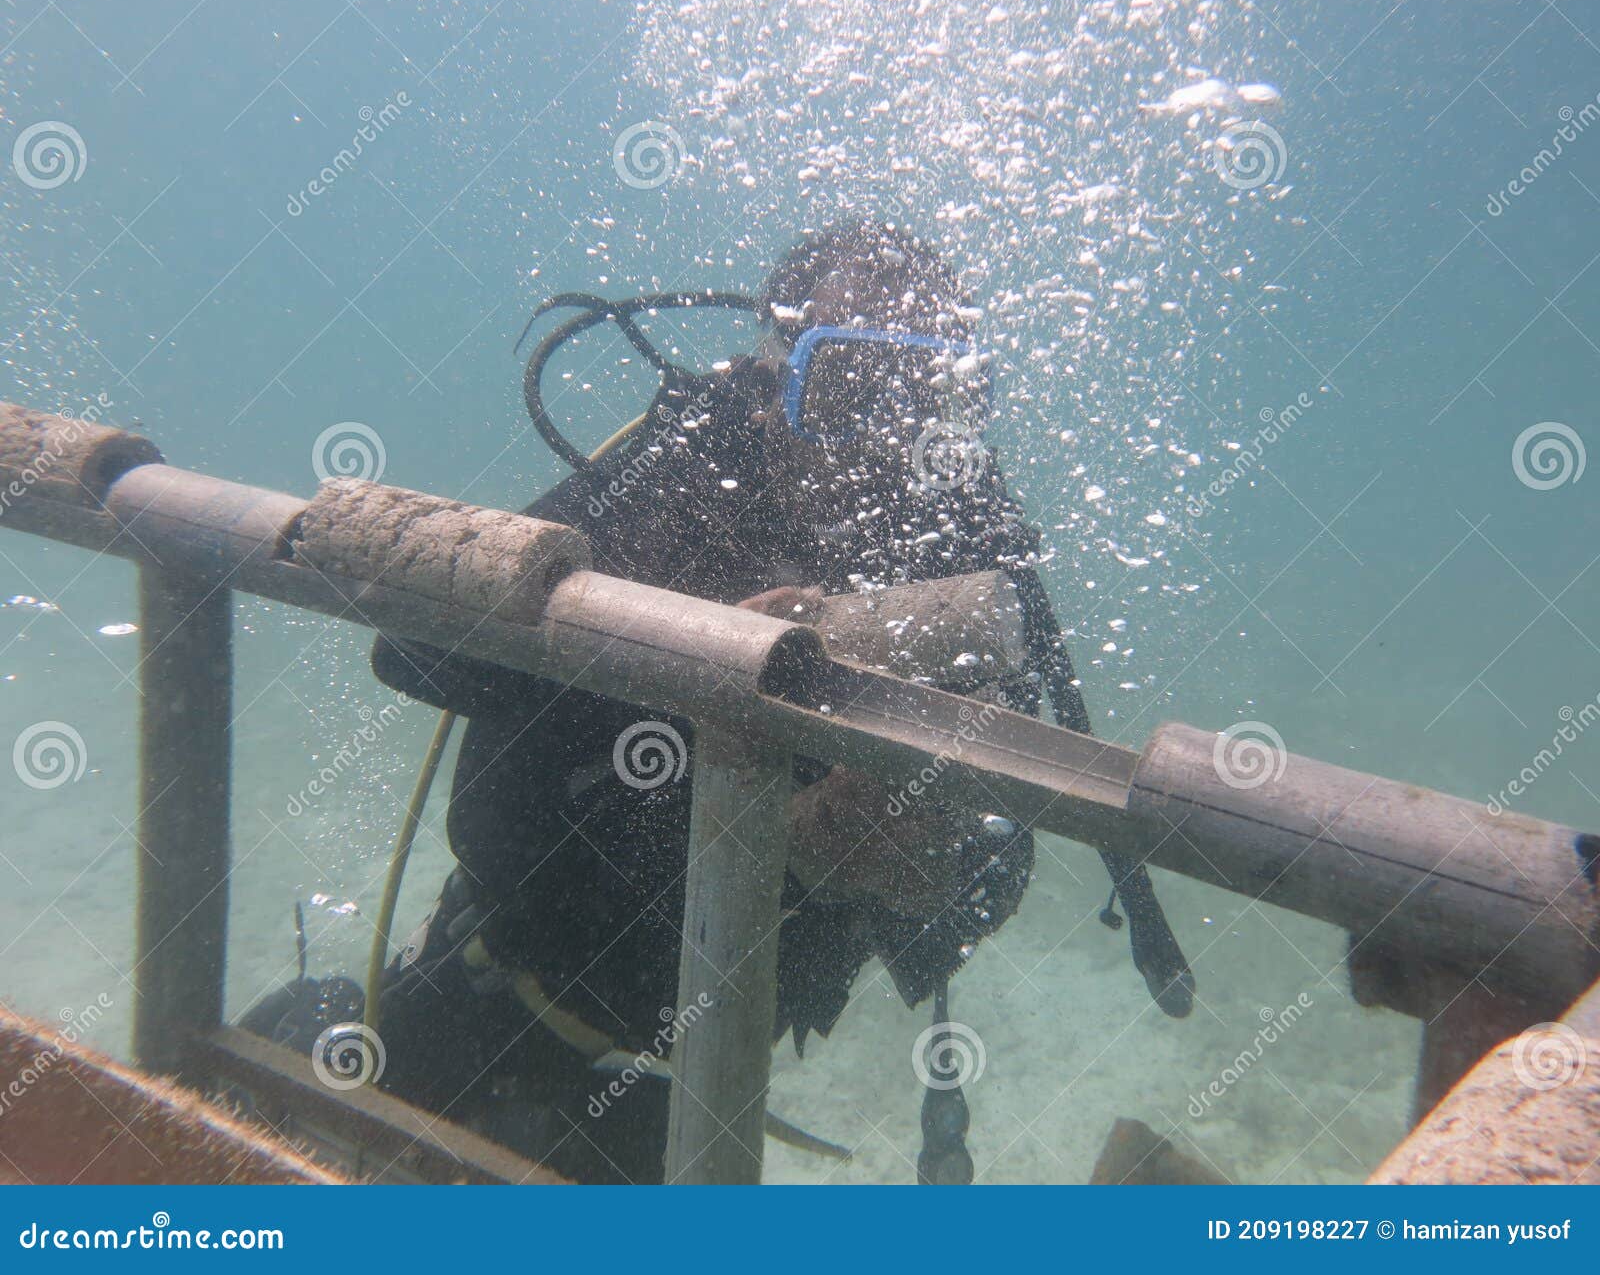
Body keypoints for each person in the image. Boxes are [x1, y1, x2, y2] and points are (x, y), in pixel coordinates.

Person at [347, 220, 1190, 1182]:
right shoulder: (677, 492)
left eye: (930, 400)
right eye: (851, 388)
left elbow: (1012, 831)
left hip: (699, 1077)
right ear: (771, 380)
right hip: (482, 1008)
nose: (888, 446)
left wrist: (933, 869)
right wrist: (690, 656)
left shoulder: (963, 552)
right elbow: (415, 650)